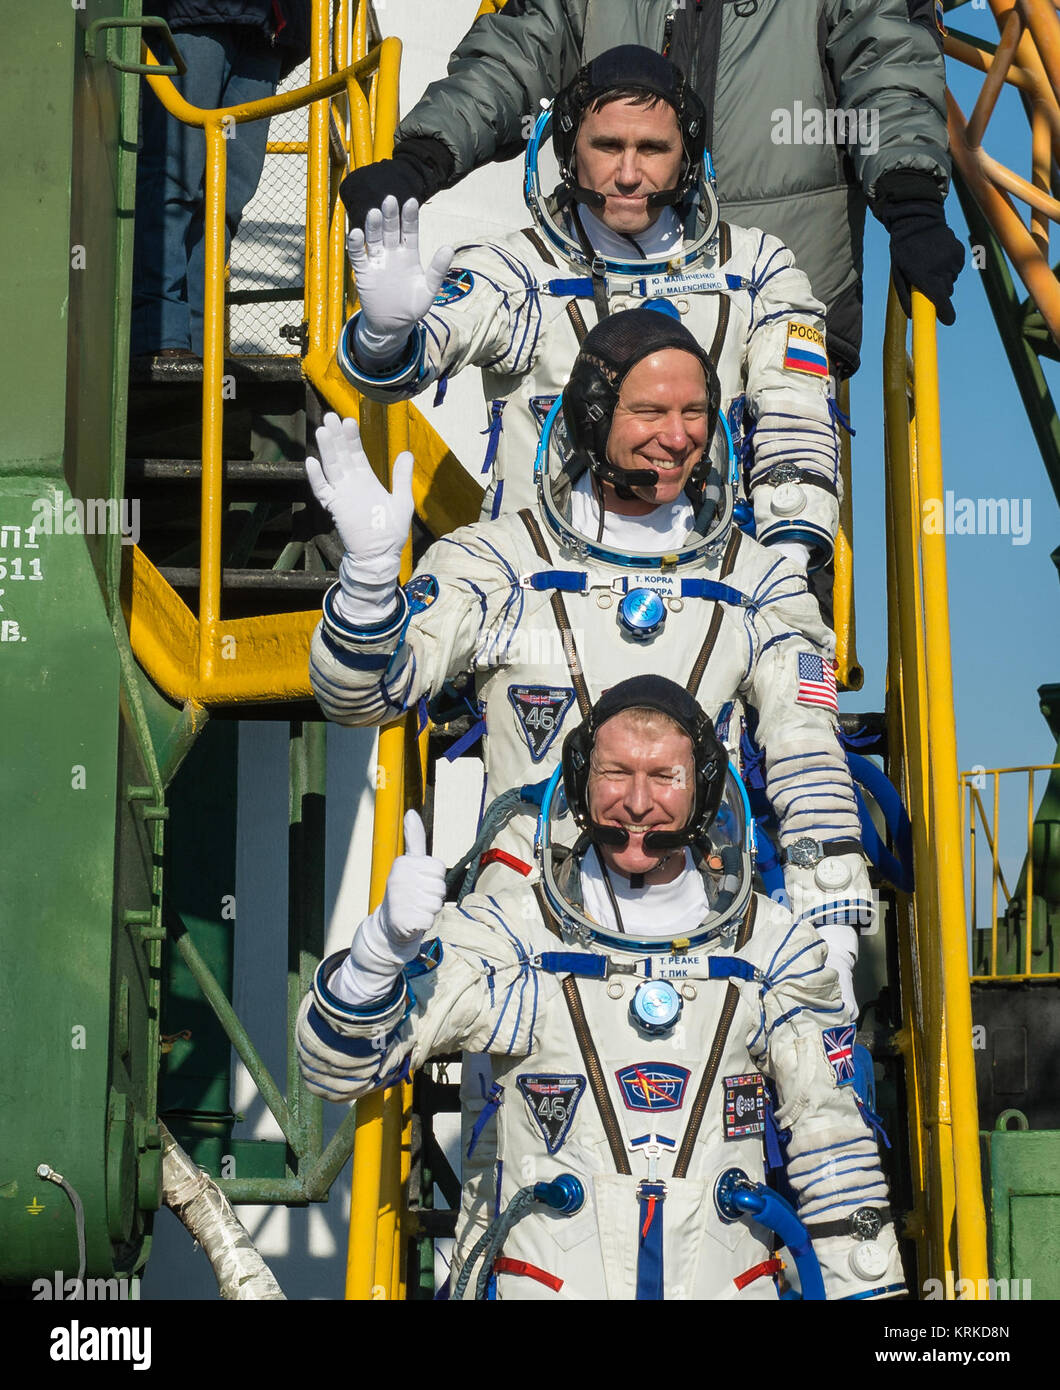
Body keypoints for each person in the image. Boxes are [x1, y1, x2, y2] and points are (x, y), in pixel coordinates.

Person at [308, 309, 871, 1014]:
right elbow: (361, 696)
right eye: (649, 411)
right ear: (593, 415)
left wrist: (835, 925)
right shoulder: (497, 563)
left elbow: (807, 758)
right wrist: (365, 589)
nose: (678, 436)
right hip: (523, 943)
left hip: (703, 933)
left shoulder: (761, 587)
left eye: (696, 411)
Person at [297, 677, 905, 1300]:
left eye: (665, 777)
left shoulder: (770, 949)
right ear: (583, 781)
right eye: (616, 773)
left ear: (704, 789)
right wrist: (378, 953)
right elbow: (336, 1071)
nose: (638, 804)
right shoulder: (518, 937)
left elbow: (836, 1151)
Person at [339, 45, 840, 571]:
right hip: (536, 586)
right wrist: (385, 337)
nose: (627, 174)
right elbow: (413, 359)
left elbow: (795, 410)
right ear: (570, 149)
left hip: (710, 584)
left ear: (687, 157)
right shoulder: (518, 269)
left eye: (652, 149)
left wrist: (786, 556)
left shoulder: (759, 273)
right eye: (606, 146)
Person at [339, 0, 964, 380]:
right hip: (594, 304)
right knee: (579, 557)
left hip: (771, 320)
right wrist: (424, 158)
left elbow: (887, 69)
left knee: (781, 542)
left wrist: (910, 202)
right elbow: (515, 55)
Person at [131, 1, 311, 358]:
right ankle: (162, 332)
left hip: (271, 27)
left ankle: (200, 344)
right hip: (196, 11)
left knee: (225, 204)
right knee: (175, 178)